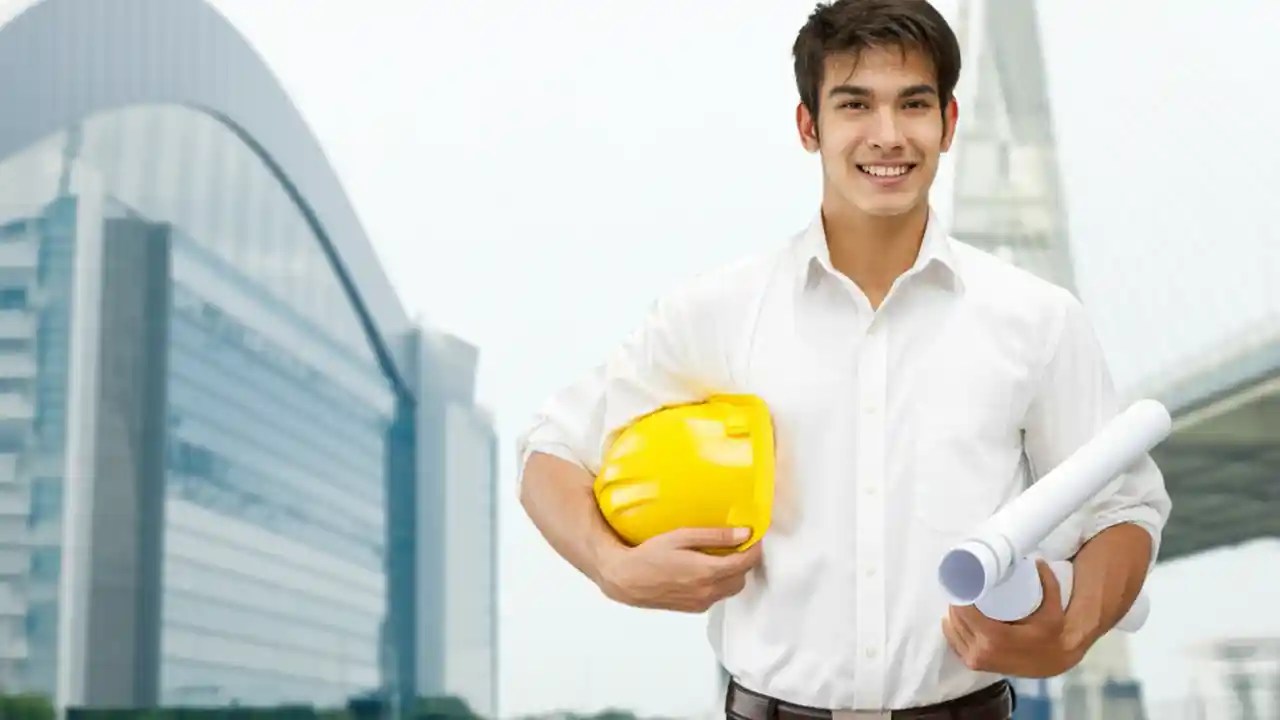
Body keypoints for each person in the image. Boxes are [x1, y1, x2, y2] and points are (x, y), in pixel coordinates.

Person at [516, 0, 1172, 717]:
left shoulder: (1039, 321)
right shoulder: (719, 313)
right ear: (809, 127)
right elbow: (550, 451)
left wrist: (1073, 631)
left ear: (949, 124)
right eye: (855, 105)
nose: (887, 136)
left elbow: (1125, 504)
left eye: (913, 105)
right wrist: (612, 567)